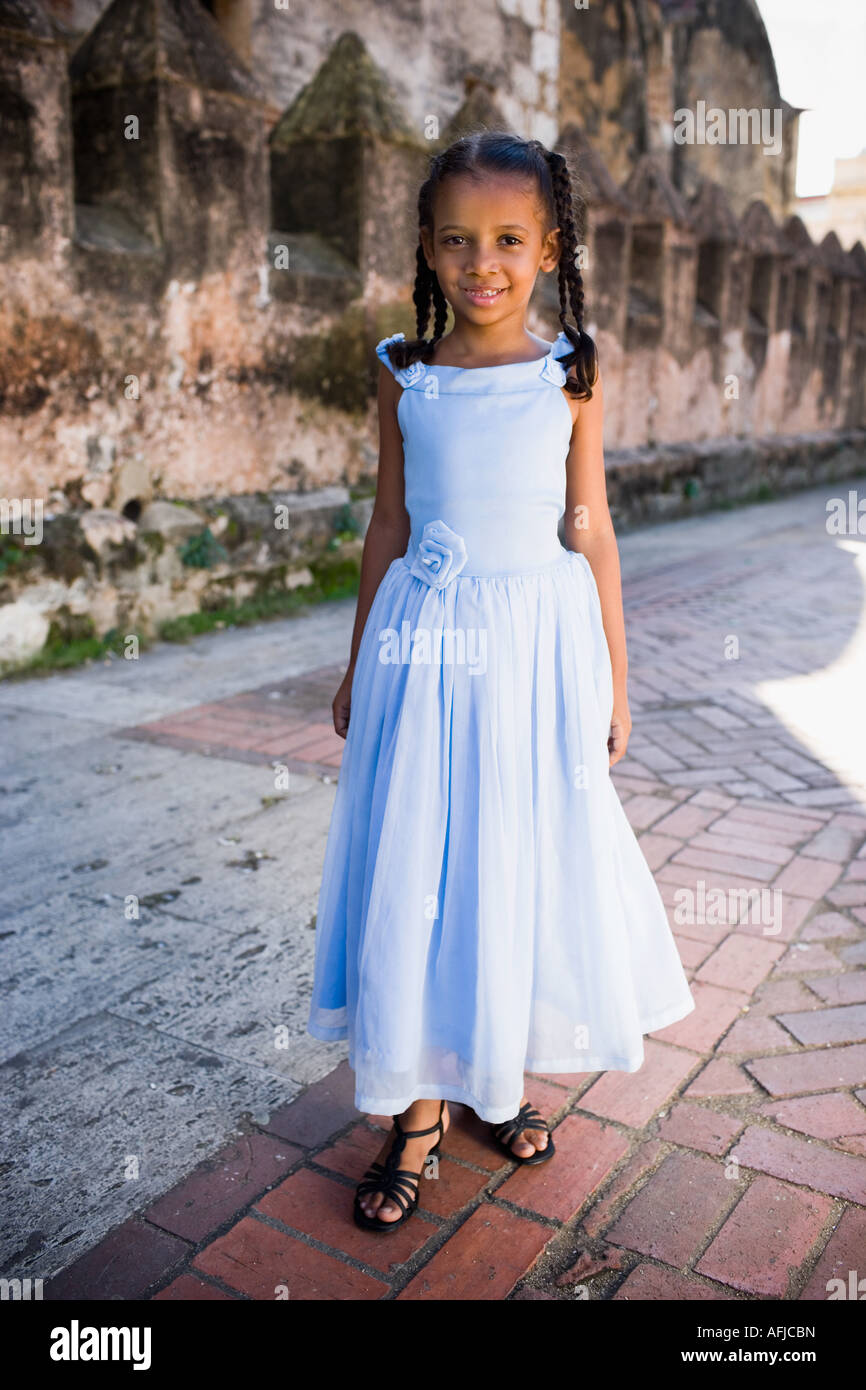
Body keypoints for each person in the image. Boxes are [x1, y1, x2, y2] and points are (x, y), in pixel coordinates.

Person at [306, 130, 695, 1232]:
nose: (483, 262)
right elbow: (386, 524)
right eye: (456, 240)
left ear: (549, 248)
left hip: (537, 648)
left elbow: (592, 528)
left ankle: (494, 1072)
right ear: (426, 252)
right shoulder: (402, 373)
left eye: (508, 240)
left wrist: (616, 680)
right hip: (422, 647)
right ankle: (416, 1111)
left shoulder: (569, 369)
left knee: (509, 858)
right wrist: (356, 660)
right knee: (420, 853)